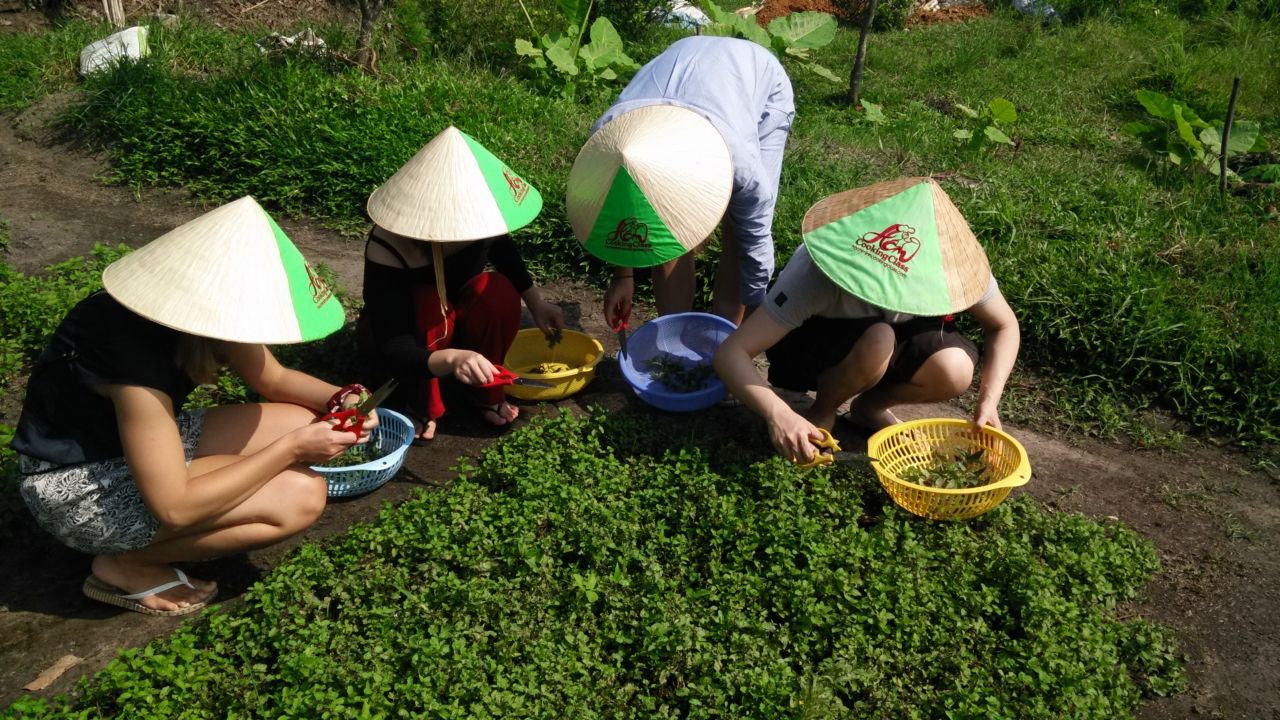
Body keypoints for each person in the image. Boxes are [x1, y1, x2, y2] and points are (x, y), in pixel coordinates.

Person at [10, 196, 374, 616]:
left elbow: (270, 378)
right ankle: (125, 564)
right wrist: (293, 449)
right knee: (301, 494)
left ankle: (149, 542)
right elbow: (175, 507)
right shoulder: (131, 365)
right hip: (76, 485)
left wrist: (342, 399)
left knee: (300, 417)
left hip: (123, 445)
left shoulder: (193, 307)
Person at [713, 178, 1021, 465]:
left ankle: (869, 409)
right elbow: (731, 353)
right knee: (879, 339)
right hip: (814, 345)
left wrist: (989, 401)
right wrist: (778, 414)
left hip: (881, 337)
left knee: (954, 369)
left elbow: (1004, 326)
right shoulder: (819, 272)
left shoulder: (953, 268)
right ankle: (822, 410)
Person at [565, 35, 795, 329]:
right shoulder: (610, 140)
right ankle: (674, 333)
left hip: (760, 81)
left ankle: (722, 338)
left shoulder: (743, 169)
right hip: (684, 61)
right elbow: (620, 206)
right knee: (667, 228)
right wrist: (623, 276)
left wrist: (750, 329)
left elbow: (756, 247)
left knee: (737, 235)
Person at [357, 126, 564, 444]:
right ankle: (423, 403)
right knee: (427, 307)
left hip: (460, 313)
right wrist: (452, 359)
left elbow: (502, 249)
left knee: (497, 292)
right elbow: (394, 346)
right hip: (413, 333)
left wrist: (535, 302)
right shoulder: (390, 248)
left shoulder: (480, 220)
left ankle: (485, 390)